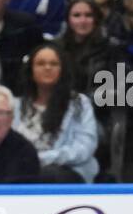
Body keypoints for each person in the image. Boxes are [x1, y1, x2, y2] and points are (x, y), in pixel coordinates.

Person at [13, 42, 100, 182]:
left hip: (68, 170)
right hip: (24, 170)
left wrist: (43, 159)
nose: (47, 68)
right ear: (31, 70)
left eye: (54, 64)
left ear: (62, 70)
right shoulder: (15, 105)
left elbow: (85, 147)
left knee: (48, 174)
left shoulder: (79, 103)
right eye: (41, 64)